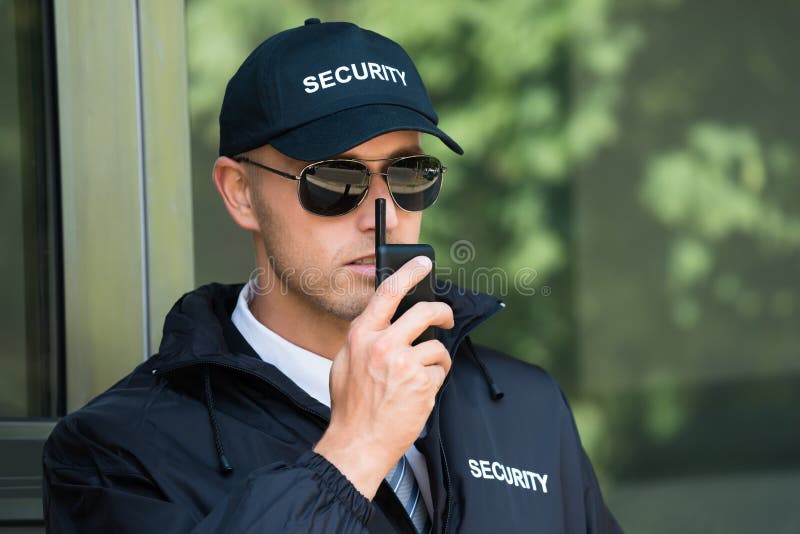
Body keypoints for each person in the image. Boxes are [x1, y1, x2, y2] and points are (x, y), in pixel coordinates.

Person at [43, 18, 622, 533]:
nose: (383, 214)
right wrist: (356, 449)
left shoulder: (524, 403)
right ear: (240, 192)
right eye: (335, 180)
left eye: (409, 174)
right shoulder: (116, 452)